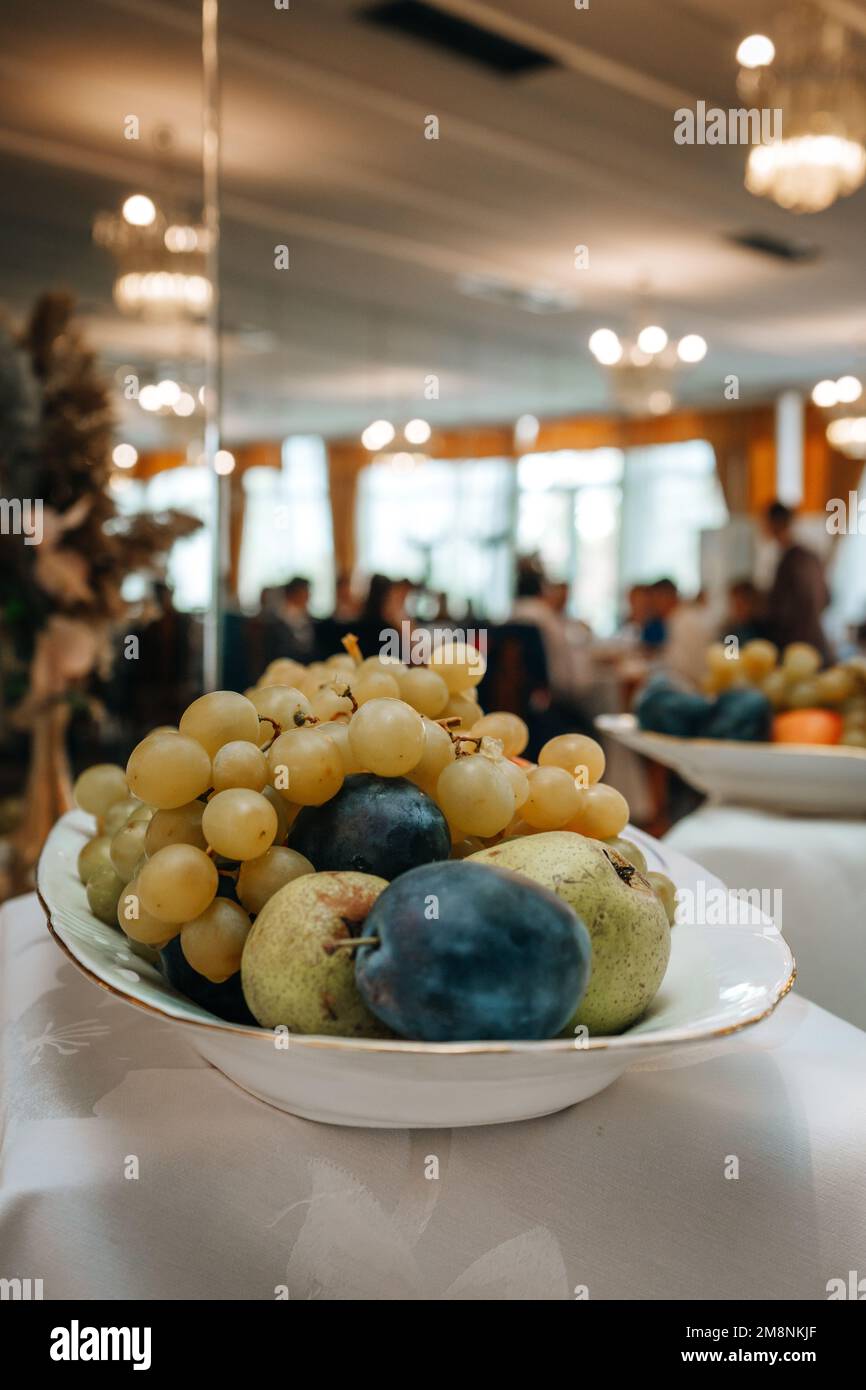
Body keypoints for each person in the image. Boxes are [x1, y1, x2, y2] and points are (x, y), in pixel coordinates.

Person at [763, 500, 833, 662]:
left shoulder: (791, 561)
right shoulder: (810, 555)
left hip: (798, 648)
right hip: (817, 642)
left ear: (774, 523)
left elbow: (784, 610)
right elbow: (828, 598)